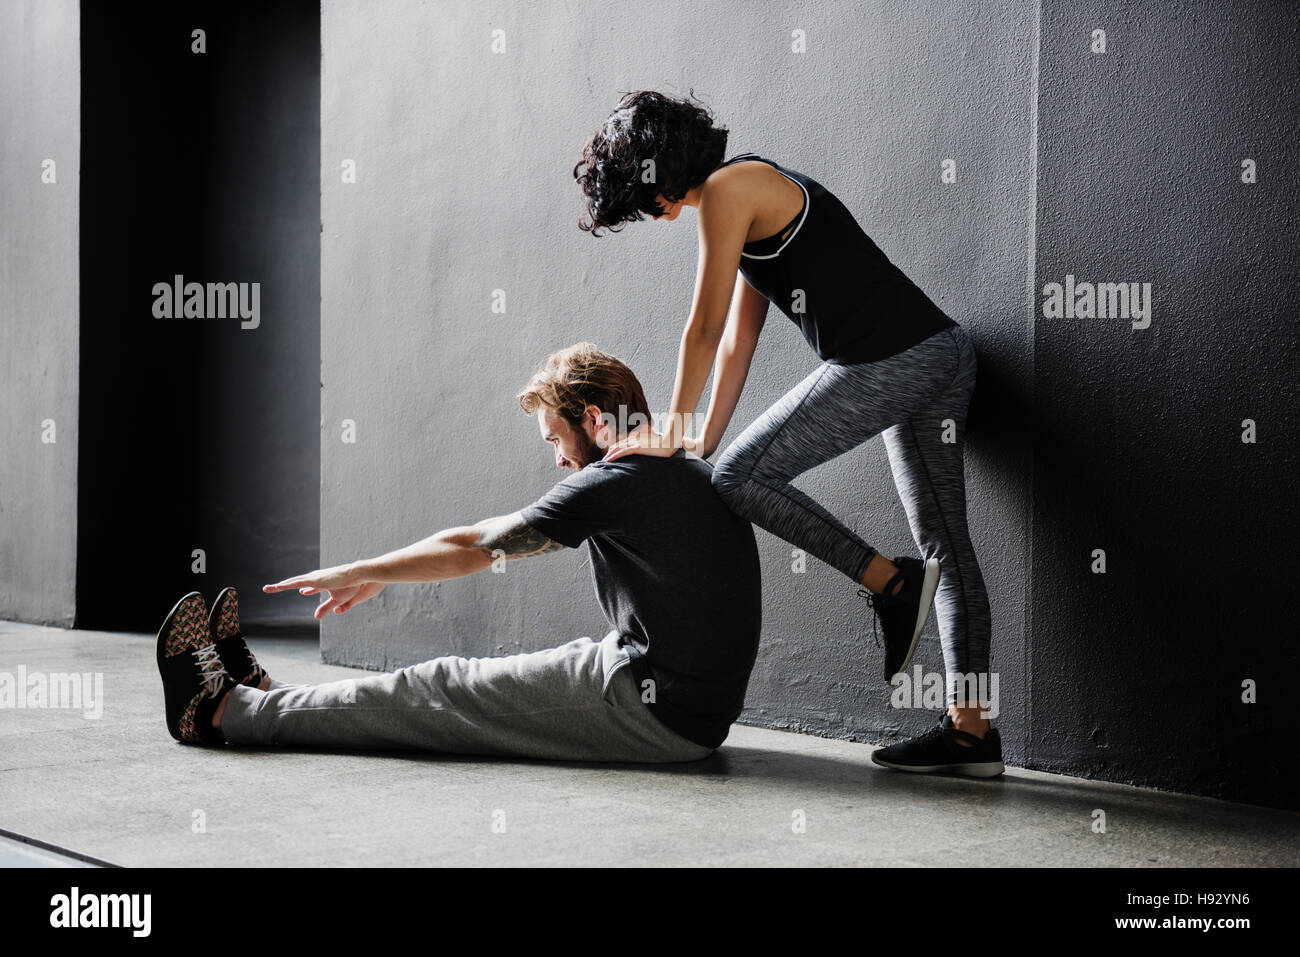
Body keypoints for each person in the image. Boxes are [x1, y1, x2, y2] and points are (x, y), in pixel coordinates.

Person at [572, 90, 1003, 776]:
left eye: (642, 200)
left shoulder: (724, 191)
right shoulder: (749, 189)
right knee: (945, 543)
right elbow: (740, 337)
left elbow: (703, 328)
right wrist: (701, 436)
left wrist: (670, 432)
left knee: (743, 477)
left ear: (655, 173)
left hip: (893, 360)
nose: (653, 214)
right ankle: (972, 731)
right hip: (938, 353)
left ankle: (891, 584)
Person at [154, 343, 761, 763]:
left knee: (438, 690)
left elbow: (472, 547)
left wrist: (364, 571)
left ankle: (219, 712)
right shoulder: (682, 462)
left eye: (556, 439)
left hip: (658, 713)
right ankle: (264, 695)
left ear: (595, 419)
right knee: (453, 685)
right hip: (678, 696)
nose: (556, 458)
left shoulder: (615, 483)